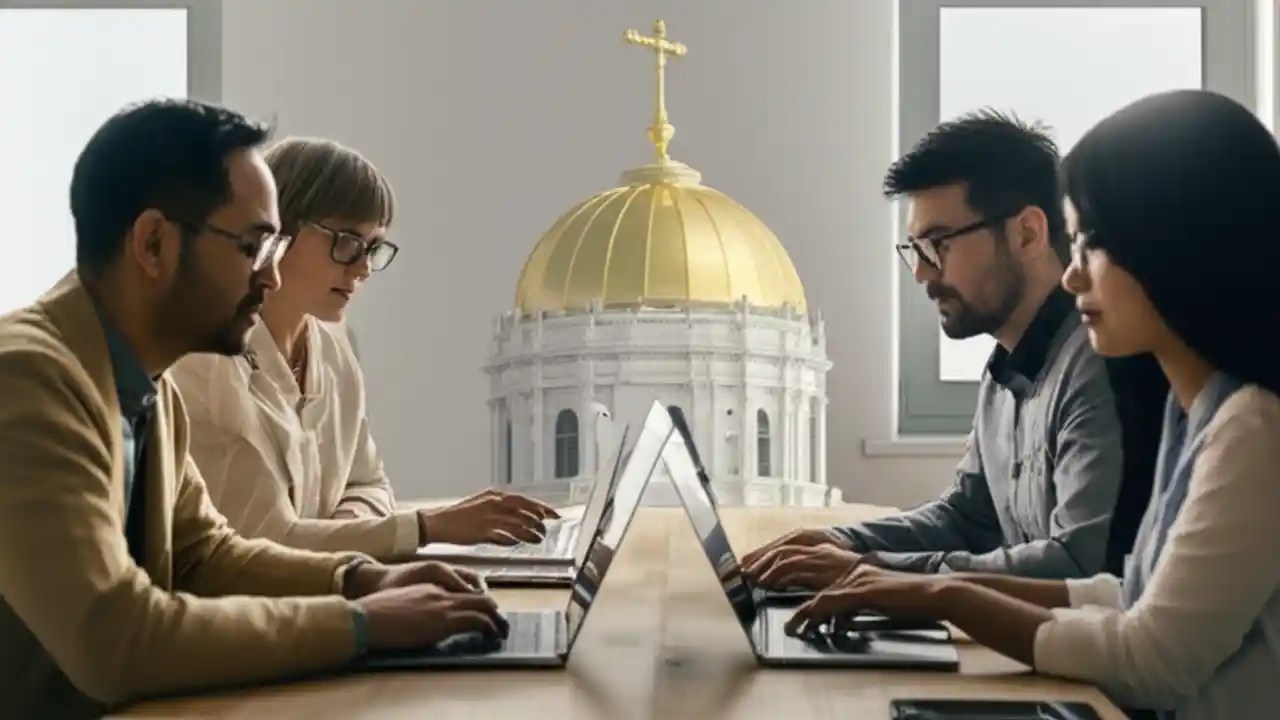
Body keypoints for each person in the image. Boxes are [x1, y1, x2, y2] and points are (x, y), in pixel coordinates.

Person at [0, 99, 509, 718]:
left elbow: (206, 554)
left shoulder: (142, 379)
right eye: (252, 248)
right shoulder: (29, 378)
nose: (267, 280)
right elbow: (114, 639)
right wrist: (359, 624)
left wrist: (362, 578)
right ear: (153, 243)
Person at [788, 89, 1280, 720]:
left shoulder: (1247, 423)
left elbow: (1149, 660)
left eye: (1094, 244)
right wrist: (882, 569)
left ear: (1178, 245)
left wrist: (938, 592)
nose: (1074, 276)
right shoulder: (1195, 413)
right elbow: (1127, 591)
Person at [744, 111, 1166, 587]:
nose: (923, 274)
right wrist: (844, 544)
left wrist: (877, 572)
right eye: (915, 252)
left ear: (1027, 232)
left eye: (938, 244)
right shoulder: (1003, 372)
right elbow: (967, 519)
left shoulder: (1098, 363)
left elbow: (1079, 568)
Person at [168, 136, 556, 561]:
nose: (364, 267)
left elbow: (369, 483)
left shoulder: (334, 350)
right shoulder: (204, 361)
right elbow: (263, 544)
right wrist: (428, 527)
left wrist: (350, 529)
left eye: (372, 248)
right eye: (347, 241)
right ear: (276, 228)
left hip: (323, 595)